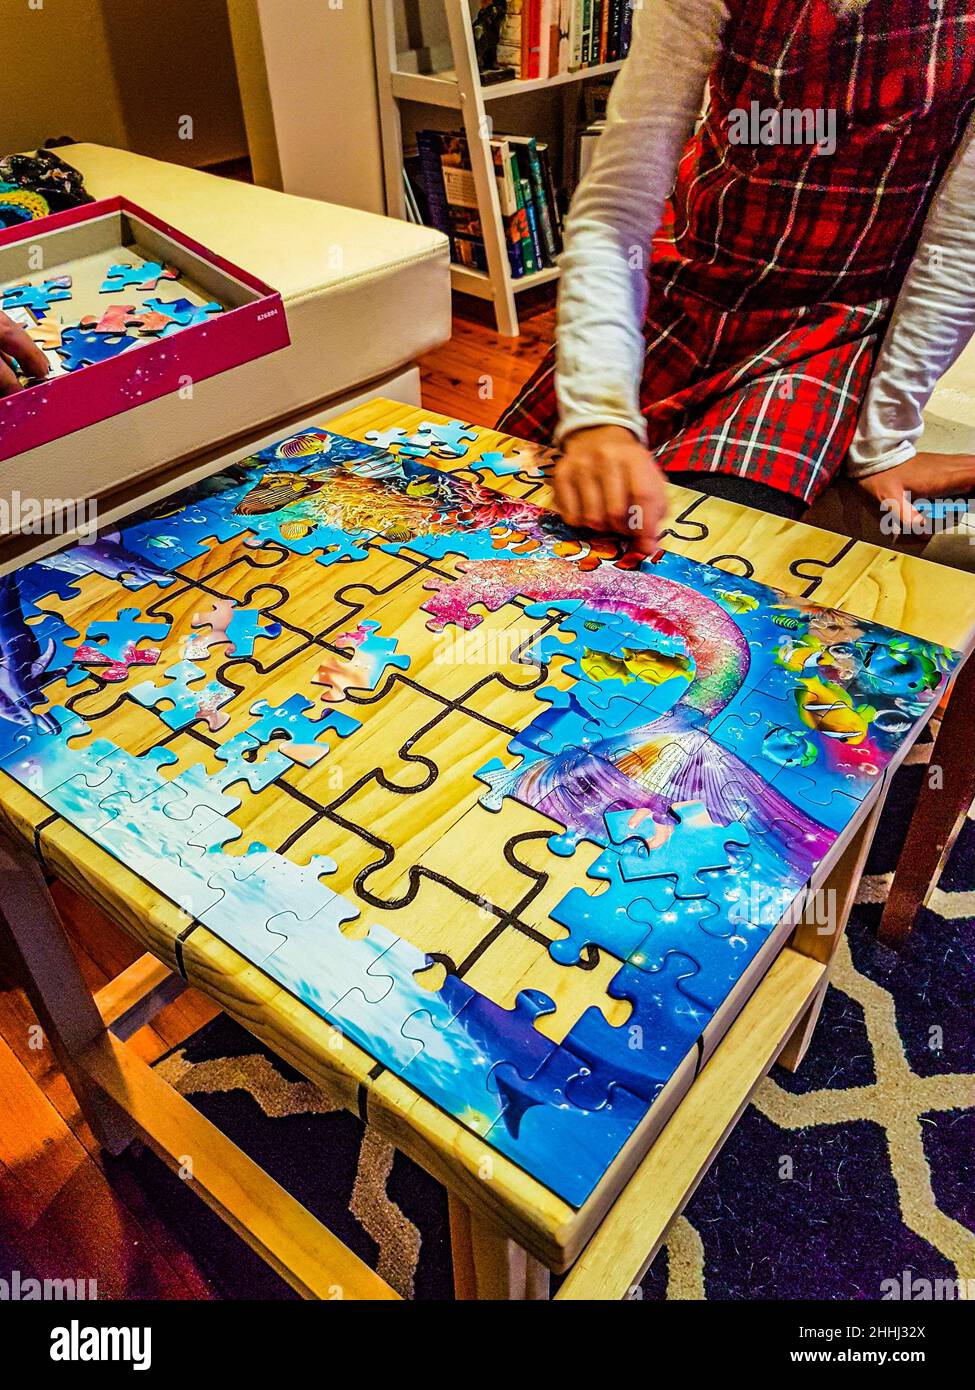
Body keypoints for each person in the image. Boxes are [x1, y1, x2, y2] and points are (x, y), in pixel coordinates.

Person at [498, 0, 975, 549]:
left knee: (699, 558)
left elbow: (958, 245)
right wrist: (598, 412)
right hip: (681, 285)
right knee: (495, 507)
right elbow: (615, 206)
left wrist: (885, 442)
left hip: (828, 327)